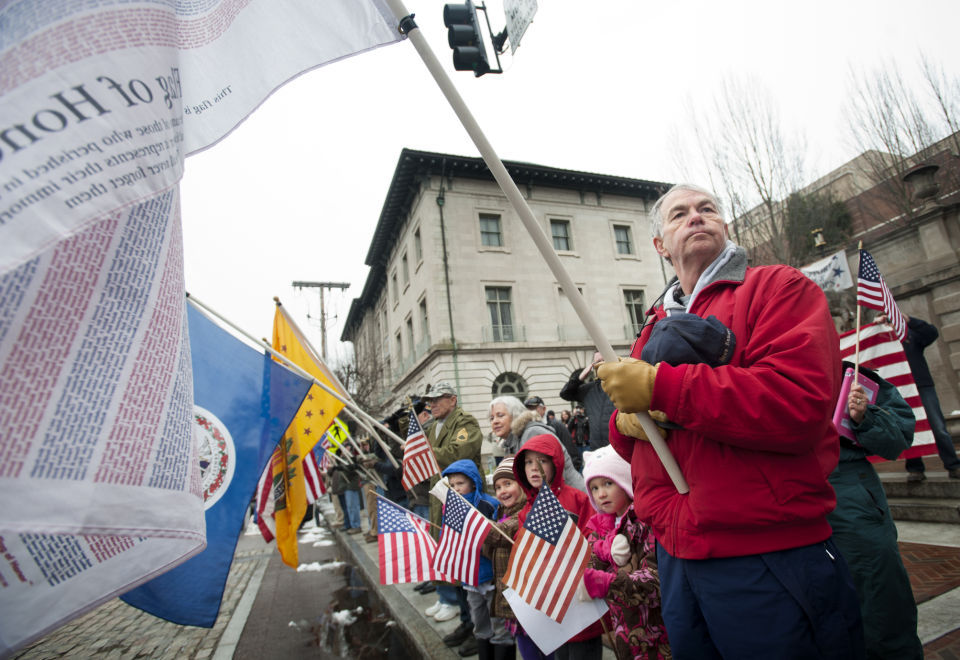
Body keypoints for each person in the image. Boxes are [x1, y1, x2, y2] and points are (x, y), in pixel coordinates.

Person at [597, 183, 864, 658]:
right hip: (677, 557)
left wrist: (664, 390)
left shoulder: (779, 287)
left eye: (708, 209)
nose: (696, 217)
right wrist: (625, 424)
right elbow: (637, 443)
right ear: (660, 246)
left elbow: (797, 403)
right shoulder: (653, 325)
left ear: (725, 225)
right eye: (679, 214)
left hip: (768, 554)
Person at [829, 363, 923, 659]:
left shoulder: (849, 375)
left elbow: (898, 438)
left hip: (849, 501)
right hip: (783, 504)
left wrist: (865, 417)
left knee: (880, 605)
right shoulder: (753, 373)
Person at [513, 434, 601, 659]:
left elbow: (592, 538)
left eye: (541, 461)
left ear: (556, 463)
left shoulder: (578, 499)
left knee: (583, 653)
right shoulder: (527, 510)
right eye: (528, 462)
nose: (534, 468)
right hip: (553, 604)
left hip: (580, 599)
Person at [581, 447, 670, 659]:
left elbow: (656, 580)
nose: (601, 494)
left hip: (654, 635)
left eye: (608, 483)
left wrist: (608, 583)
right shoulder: (599, 529)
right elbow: (590, 566)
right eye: (594, 488)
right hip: (624, 632)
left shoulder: (644, 522)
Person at [422, 382, 484, 628]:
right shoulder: (434, 427)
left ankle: (473, 624)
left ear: (453, 400)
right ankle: (465, 618)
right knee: (450, 559)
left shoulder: (465, 422)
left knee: (465, 560)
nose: (432, 404)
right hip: (441, 499)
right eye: (431, 400)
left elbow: (458, 454)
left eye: (438, 399)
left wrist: (425, 451)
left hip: (462, 499)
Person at [440, 460, 501, 659]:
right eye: (452, 485)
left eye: (460, 483)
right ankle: (484, 649)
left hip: (490, 573)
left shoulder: (488, 504)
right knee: (479, 618)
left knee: (498, 621)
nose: (456, 489)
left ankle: (501, 648)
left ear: (473, 483)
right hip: (470, 576)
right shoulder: (450, 508)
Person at [892, 315, 960, 481]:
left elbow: (931, 332)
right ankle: (915, 469)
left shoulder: (911, 336)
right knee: (907, 429)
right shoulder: (884, 343)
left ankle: (953, 465)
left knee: (938, 427)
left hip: (922, 386)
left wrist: (909, 320)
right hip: (900, 391)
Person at [481, 457, 526, 660]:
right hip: (509, 595)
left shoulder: (523, 513)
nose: (502, 491)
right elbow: (488, 549)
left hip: (525, 599)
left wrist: (473, 521)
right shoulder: (502, 512)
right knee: (523, 646)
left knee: (535, 649)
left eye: (508, 483)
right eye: (498, 487)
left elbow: (500, 533)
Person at [559, 357, 616, 450]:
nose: (600, 364)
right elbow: (565, 394)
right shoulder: (589, 389)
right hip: (596, 449)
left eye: (603, 360)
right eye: (597, 362)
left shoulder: (621, 384)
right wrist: (579, 378)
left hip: (618, 448)